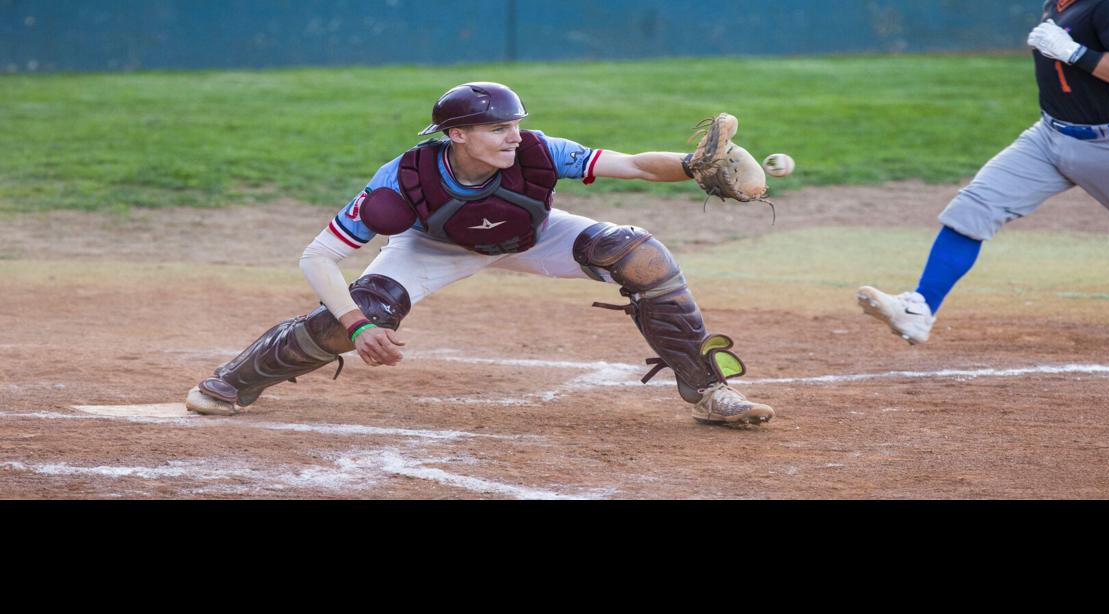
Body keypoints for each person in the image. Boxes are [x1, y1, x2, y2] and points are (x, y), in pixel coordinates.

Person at [186, 82, 774, 425]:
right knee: (368, 313)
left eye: (516, 125)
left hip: (531, 233)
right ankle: (233, 382)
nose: (514, 136)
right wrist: (357, 323)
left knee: (642, 254)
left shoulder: (538, 151)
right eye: (498, 129)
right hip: (435, 246)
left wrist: (692, 166)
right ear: (457, 135)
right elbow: (317, 258)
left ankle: (706, 391)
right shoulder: (402, 181)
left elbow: (634, 165)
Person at [857, 0, 1109, 345]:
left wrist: (1075, 53)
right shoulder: (1056, 5)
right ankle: (919, 309)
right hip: (1049, 137)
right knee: (975, 206)